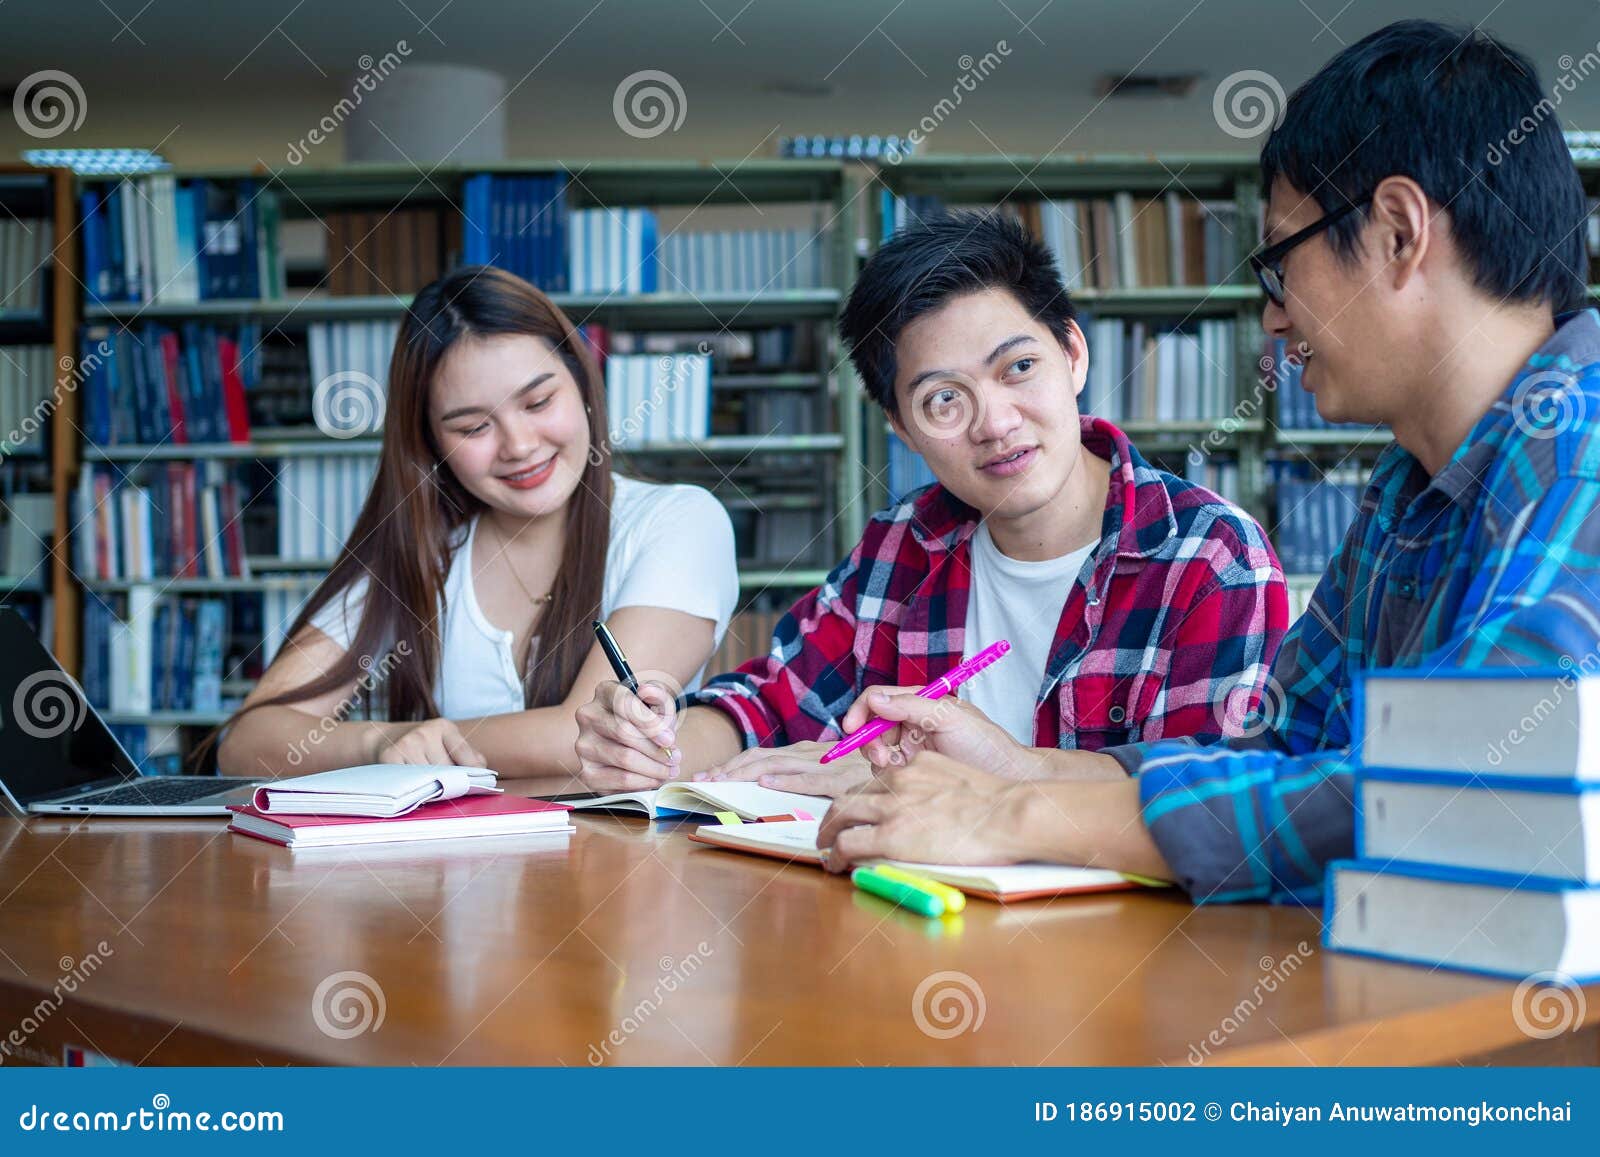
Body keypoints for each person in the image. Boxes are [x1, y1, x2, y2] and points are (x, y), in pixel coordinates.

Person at [818, 19, 1600, 903]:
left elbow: (1466, 795)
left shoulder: (1580, 461)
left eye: (1280, 265)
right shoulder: (1405, 489)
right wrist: (1014, 772)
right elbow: (1278, 748)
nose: (1274, 318)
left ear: (1396, 230)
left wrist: (1012, 816)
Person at [574, 211, 1288, 794]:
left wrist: (923, 777)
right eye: (943, 399)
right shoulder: (902, 547)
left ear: (1073, 353)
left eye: (1019, 368)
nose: (995, 421)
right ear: (902, 427)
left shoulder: (1211, 556)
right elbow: (769, 703)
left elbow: (1214, 794)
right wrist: (657, 746)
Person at [218, 266, 737, 777]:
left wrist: (437, 737)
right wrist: (386, 741)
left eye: (538, 401)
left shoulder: (680, 522)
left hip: (622, 858)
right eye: (473, 427)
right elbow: (247, 741)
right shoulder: (422, 550)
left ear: (582, 382)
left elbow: (582, 741)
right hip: (451, 861)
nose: (519, 445)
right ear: (430, 443)